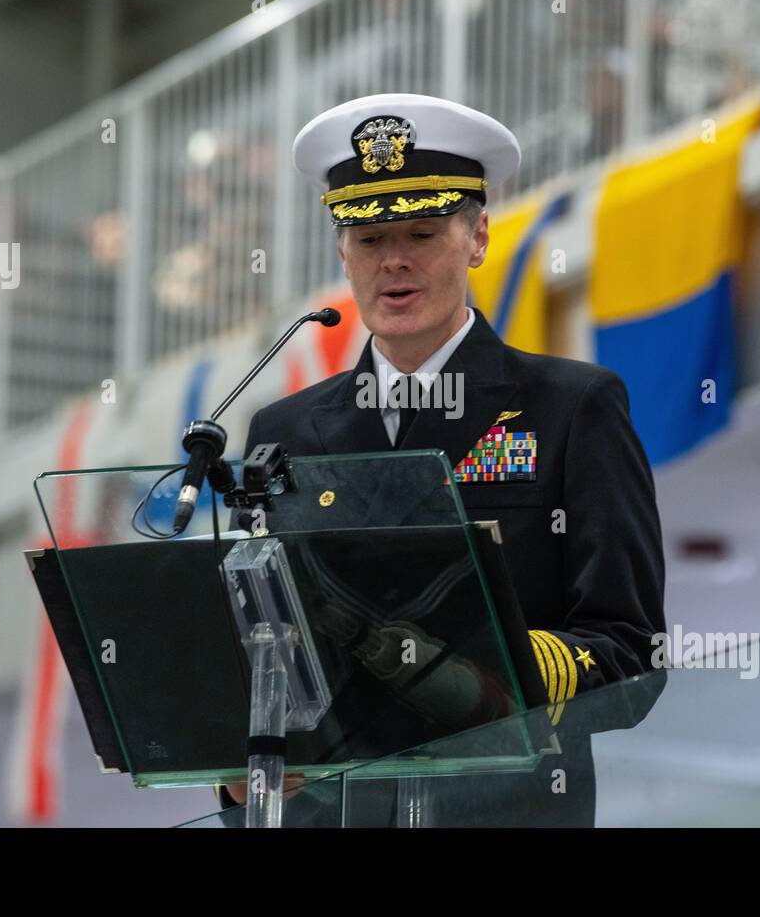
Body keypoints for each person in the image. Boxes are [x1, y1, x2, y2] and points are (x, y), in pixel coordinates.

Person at [220, 93, 665, 825]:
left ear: (479, 236)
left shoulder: (572, 407)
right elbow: (256, 643)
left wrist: (475, 685)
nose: (393, 262)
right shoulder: (285, 428)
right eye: (367, 241)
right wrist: (240, 763)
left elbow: (630, 653)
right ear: (342, 251)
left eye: (423, 233)